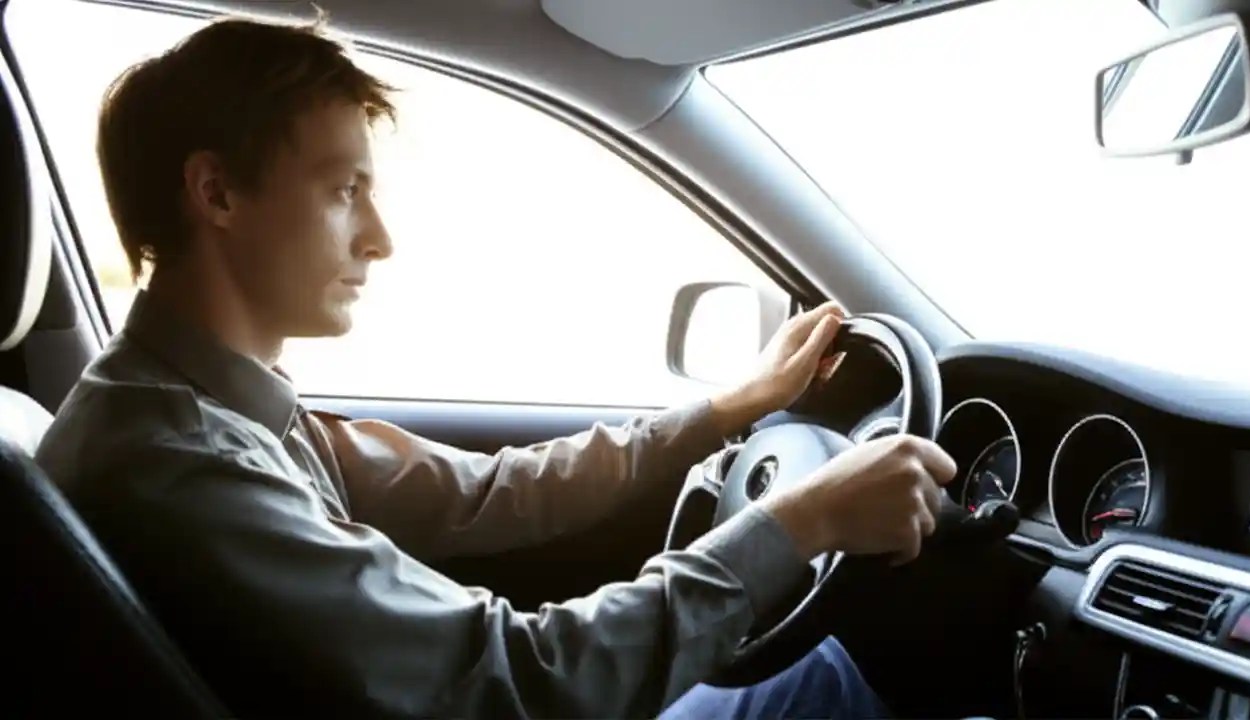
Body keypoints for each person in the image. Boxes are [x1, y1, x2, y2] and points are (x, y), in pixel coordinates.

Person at [35, 13, 957, 719]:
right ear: (217, 192)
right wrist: (796, 522)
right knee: (818, 685)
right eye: (343, 190)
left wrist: (724, 411)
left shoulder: (198, 408)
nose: (379, 238)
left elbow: (489, 491)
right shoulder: (182, 460)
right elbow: (510, 681)